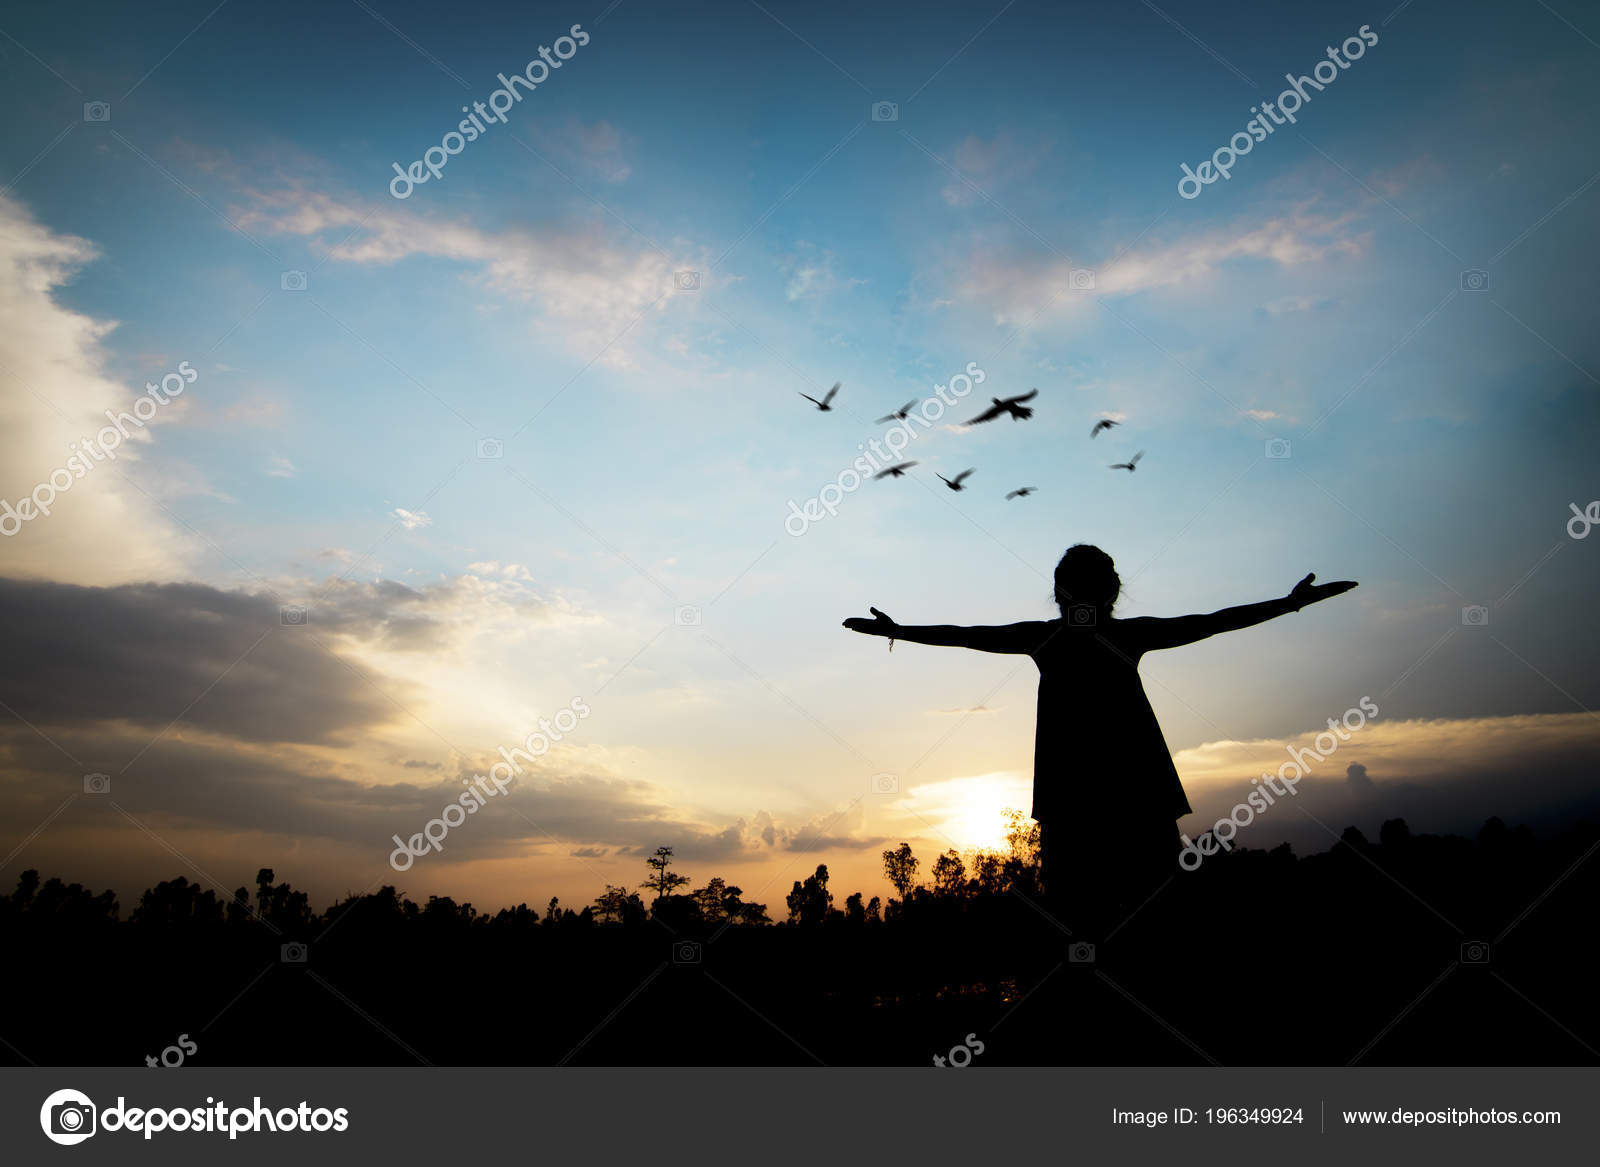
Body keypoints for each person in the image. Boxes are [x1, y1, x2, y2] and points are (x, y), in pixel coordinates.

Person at [843, 544, 1357, 933]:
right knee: (1137, 920)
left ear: (1062, 591)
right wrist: (1289, 606)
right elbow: (1215, 622)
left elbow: (964, 633)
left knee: (1087, 925)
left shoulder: (1053, 637)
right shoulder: (1111, 635)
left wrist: (902, 630)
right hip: (1129, 802)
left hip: (1085, 806)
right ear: (1109, 592)